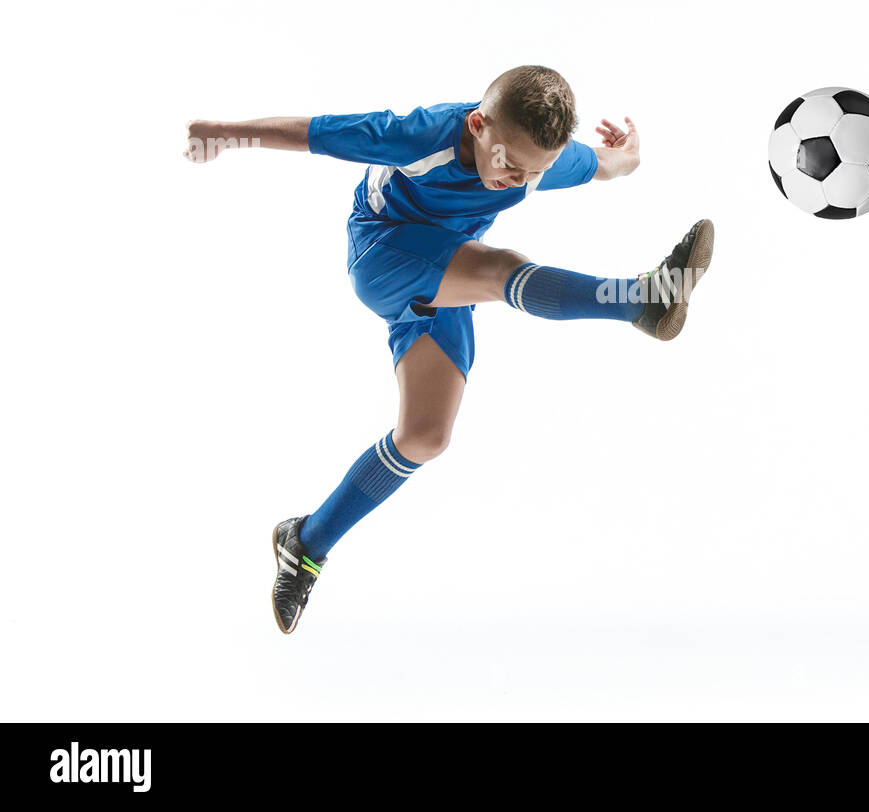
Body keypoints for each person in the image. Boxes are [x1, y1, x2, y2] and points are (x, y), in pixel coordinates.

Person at [183, 65, 715, 634]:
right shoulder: (420, 136)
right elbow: (316, 132)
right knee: (505, 271)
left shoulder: (540, 161)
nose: (513, 180)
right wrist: (218, 132)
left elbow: (609, 165)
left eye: (530, 173)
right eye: (506, 161)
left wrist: (628, 152)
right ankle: (644, 300)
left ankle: (304, 543)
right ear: (478, 124)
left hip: (447, 268)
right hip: (385, 254)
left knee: (425, 436)